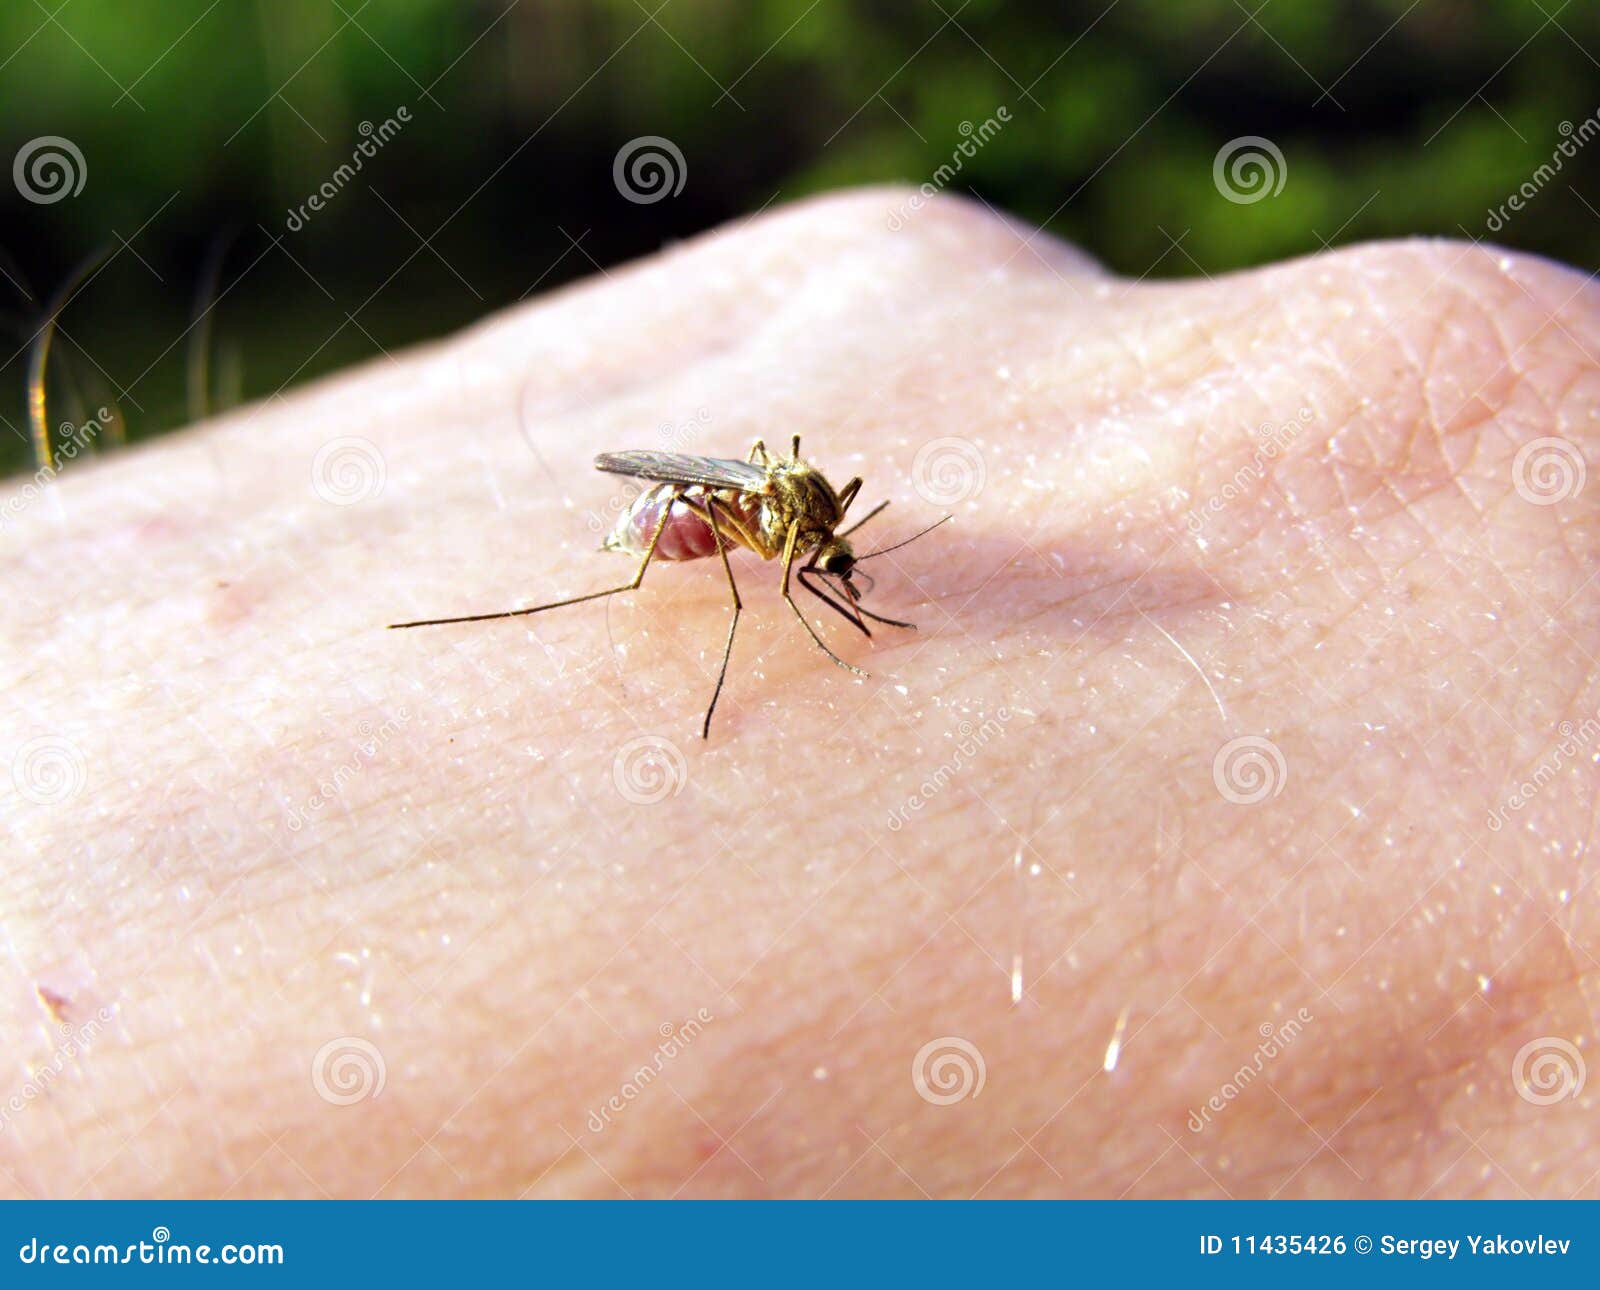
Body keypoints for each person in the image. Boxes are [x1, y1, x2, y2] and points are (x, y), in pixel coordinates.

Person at [1, 187, 1593, 1197]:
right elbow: (741, 522)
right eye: (831, 554)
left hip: (738, 491)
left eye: (832, 553)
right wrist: (762, 566)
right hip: (669, 515)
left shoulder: (815, 516)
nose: (835, 565)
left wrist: (836, 571)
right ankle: (567, 594)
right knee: (707, 563)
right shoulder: (750, 519)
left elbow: (812, 530)